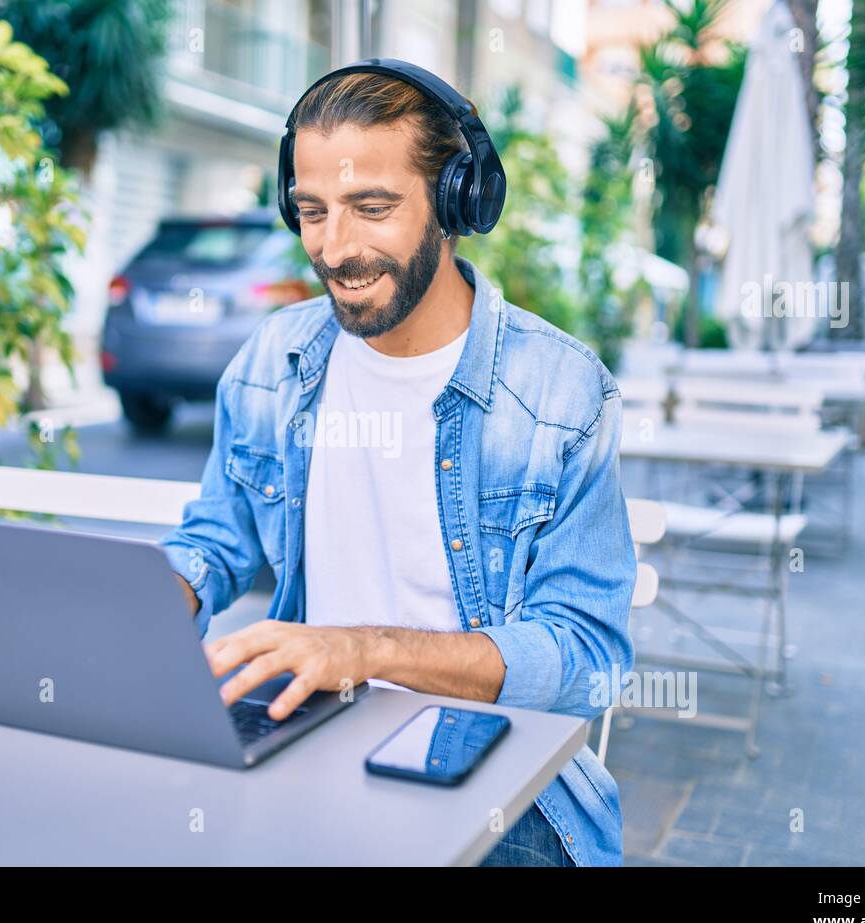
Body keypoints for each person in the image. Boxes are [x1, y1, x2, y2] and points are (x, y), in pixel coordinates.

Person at [160, 60, 635, 866]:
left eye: (371, 208)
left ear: (459, 202)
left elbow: (588, 662)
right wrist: (152, 600)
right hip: (305, 741)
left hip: (503, 788)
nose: (334, 248)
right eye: (311, 211)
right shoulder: (276, 359)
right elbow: (217, 537)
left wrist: (366, 650)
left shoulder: (560, 391)